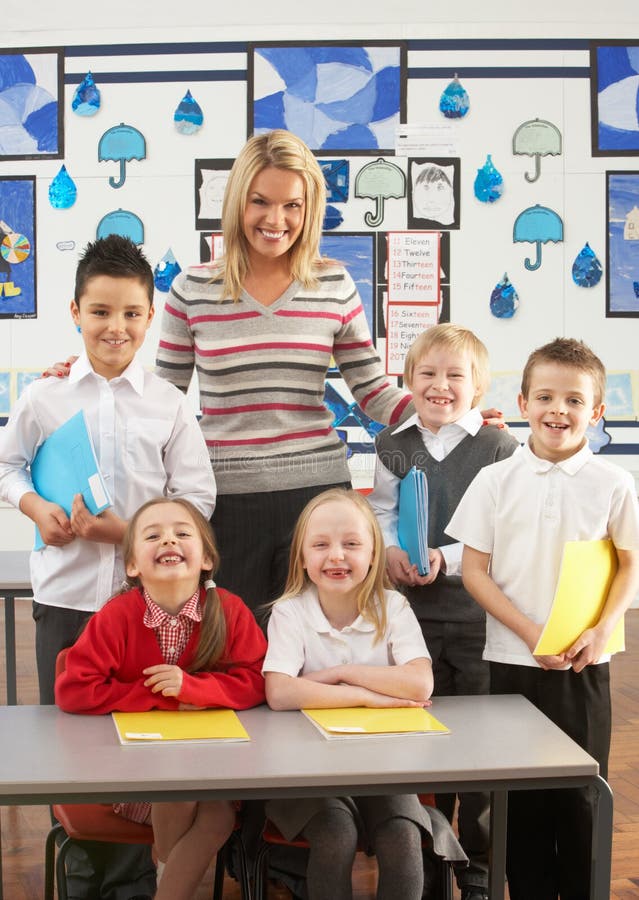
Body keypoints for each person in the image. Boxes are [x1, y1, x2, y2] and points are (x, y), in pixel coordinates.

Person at [44, 131, 503, 617]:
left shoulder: (334, 284)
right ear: (238, 199)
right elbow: (163, 400)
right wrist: (92, 374)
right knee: (237, 652)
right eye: (260, 201)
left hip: (318, 497)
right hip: (226, 503)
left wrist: (454, 415)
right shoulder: (192, 290)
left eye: (292, 205)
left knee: (320, 647)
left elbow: (371, 391)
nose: (275, 219)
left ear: (310, 209)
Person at [0, 234, 216, 900]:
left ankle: (135, 877)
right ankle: (85, 874)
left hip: (147, 608)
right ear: (75, 312)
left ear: (150, 319)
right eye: (100, 312)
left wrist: (122, 536)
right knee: (72, 741)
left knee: (140, 738)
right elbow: (8, 466)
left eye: (129, 313)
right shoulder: (46, 397)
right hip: (65, 601)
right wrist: (35, 508)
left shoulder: (170, 406)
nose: (114, 327)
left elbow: (197, 502)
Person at [446, 337, 639, 900]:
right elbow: (476, 572)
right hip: (512, 661)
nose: (559, 410)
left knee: (581, 795)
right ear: (523, 401)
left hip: (585, 664)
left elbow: (629, 564)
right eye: (547, 397)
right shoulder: (495, 481)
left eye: (575, 400)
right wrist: (531, 634)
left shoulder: (613, 484)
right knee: (521, 803)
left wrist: (601, 631)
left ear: (597, 412)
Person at [368, 323, 519, 900]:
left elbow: (505, 533)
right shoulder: (394, 445)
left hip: (482, 621)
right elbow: (382, 512)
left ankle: (479, 867)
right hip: (413, 622)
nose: (441, 386)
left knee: (479, 746)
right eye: (427, 374)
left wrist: (442, 557)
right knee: (425, 740)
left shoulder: (499, 447)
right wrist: (389, 552)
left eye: (456, 375)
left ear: (477, 385)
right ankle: (433, 861)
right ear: (409, 380)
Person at [56, 497, 267, 900]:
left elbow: (257, 681)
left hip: (218, 763)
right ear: (133, 565)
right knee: (188, 791)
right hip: (138, 769)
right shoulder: (116, 616)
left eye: (182, 533)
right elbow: (73, 688)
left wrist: (193, 688)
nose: (169, 540)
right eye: (153, 535)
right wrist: (160, 696)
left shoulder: (230, 611)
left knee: (217, 810)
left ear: (206, 558)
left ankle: (164, 875)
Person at [263, 487, 468, 900]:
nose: (336, 556)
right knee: (337, 833)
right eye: (320, 545)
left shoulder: (393, 607)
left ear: (374, 554)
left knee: (401, 835)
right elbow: (280, 691)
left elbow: (419, 684)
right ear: (302, 557)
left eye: (352, 544)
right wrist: (368, 696)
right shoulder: (290, 611)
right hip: (307, 773)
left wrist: (341, 674)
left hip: (385, 767)